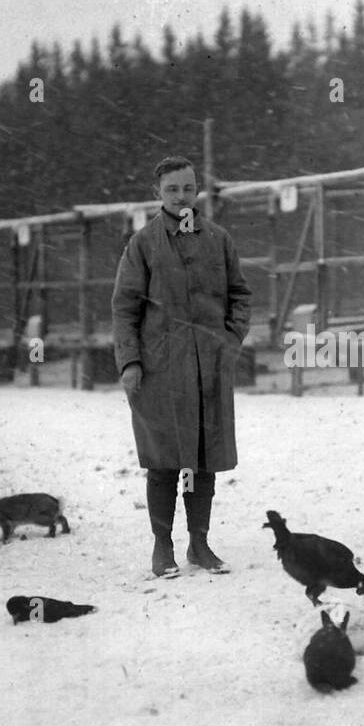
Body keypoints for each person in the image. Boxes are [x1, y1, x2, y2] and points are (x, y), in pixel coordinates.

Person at [112, 156, 253, 578]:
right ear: (158, 194)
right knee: (164, 461)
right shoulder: (142, 245)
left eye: (188, 188)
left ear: (197, 191)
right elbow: (124, 308)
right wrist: (131, 361)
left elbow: (240, 295)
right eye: (172, 189)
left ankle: (200, 544)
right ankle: (162, 547)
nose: (181, 196)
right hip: (159, 370)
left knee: (203, 461)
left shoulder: (218, 240)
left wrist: (229, 339)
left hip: (209, 368)